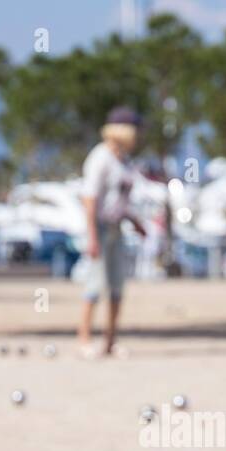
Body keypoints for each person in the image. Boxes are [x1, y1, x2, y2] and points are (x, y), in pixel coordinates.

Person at [78, 107, 147, 357]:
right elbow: (89, 199)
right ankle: (84, 339)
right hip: (100, 227)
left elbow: (120, 200)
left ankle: (110, 341)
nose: (138, 134)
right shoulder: (100, 157)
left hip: (118, 228)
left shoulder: (124, 160)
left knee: (117, 286)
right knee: (95, 283)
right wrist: (92, 237)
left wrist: (135, 221)